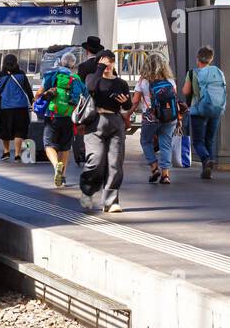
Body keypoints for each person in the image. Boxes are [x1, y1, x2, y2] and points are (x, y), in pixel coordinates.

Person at [80, 49, 130, 213]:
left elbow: (128, 106)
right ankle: (87, 191)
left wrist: (125, 103)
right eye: (103, 61)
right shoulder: (93, 79)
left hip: (115, 122)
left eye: (110, 61)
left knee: (115, 163)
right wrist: (100, 69)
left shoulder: (121, 83)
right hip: (95, 122)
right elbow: (90, 87)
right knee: (96, 160)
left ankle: (111, 201)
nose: (107, 64)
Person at [36, 51, 86, 187]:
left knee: (48, 145)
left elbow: (41, 91)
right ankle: (62, 177)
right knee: (65, 147)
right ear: (73, 64)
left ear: (60, 62)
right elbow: (85, 96)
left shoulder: (53, 75)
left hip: (52, 115)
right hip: (69, 117)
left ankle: (55, 165)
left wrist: (35, 101)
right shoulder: (76, 79)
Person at [132, 52, 179, 185]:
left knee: (146, 141)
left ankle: (154, 167)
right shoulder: (170, 80)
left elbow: (135, 101)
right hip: (169, 116)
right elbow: (174, 98)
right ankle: (165, 174)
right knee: (165, 144)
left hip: (151, 117)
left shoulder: (143, 81)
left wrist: (128, 113)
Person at [182, 45, 227, 180]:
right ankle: (206, 170)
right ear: (210, 59)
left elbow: (186, 91)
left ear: (198, 59)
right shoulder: (218, 72)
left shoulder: (192, 73)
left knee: (197, 142)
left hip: (198, 110)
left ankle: (207, 159)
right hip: (215, 109)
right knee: (209, 140)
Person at [0, 53, 34, 162]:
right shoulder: (21, 74)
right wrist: (33, 102)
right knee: (19, 131)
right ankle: (17, 154)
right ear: (16, 63)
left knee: (5, 130)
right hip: (21, 107)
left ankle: (6, 152)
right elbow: (28, 90)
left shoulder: (1, 75)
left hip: (6, 107)